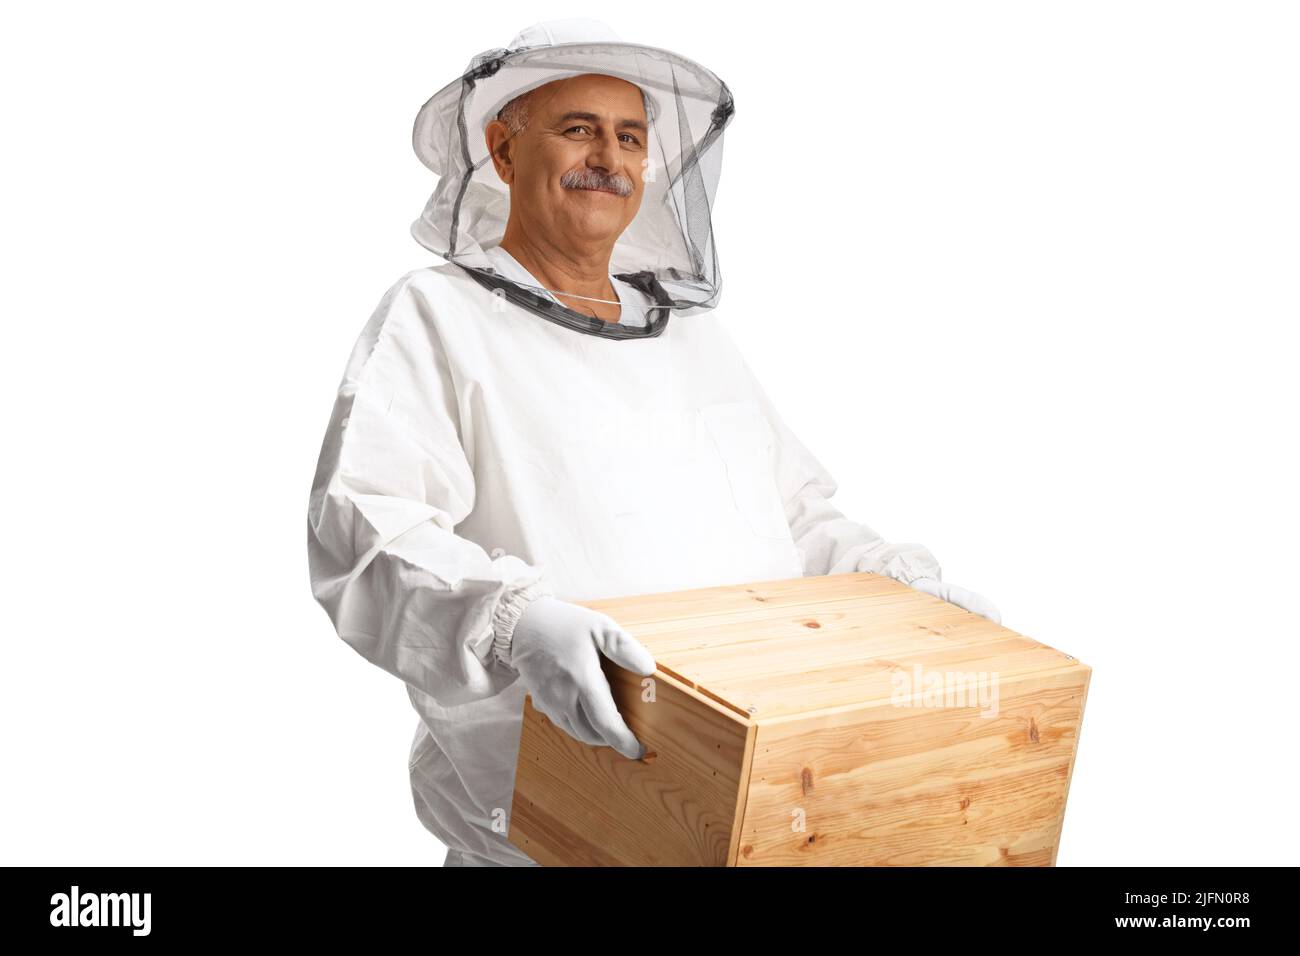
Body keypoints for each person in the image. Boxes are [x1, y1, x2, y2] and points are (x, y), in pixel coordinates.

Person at [307, 18, 1000, 868]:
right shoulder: (438, 317)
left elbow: (794, 520)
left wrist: (904, 590)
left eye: (629, 137)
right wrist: (516, 625)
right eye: (577, 129)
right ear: (502, 147)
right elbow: (367, 533)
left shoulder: (690, 340)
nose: (609, 156)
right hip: (547, 825)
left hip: (732, 804)